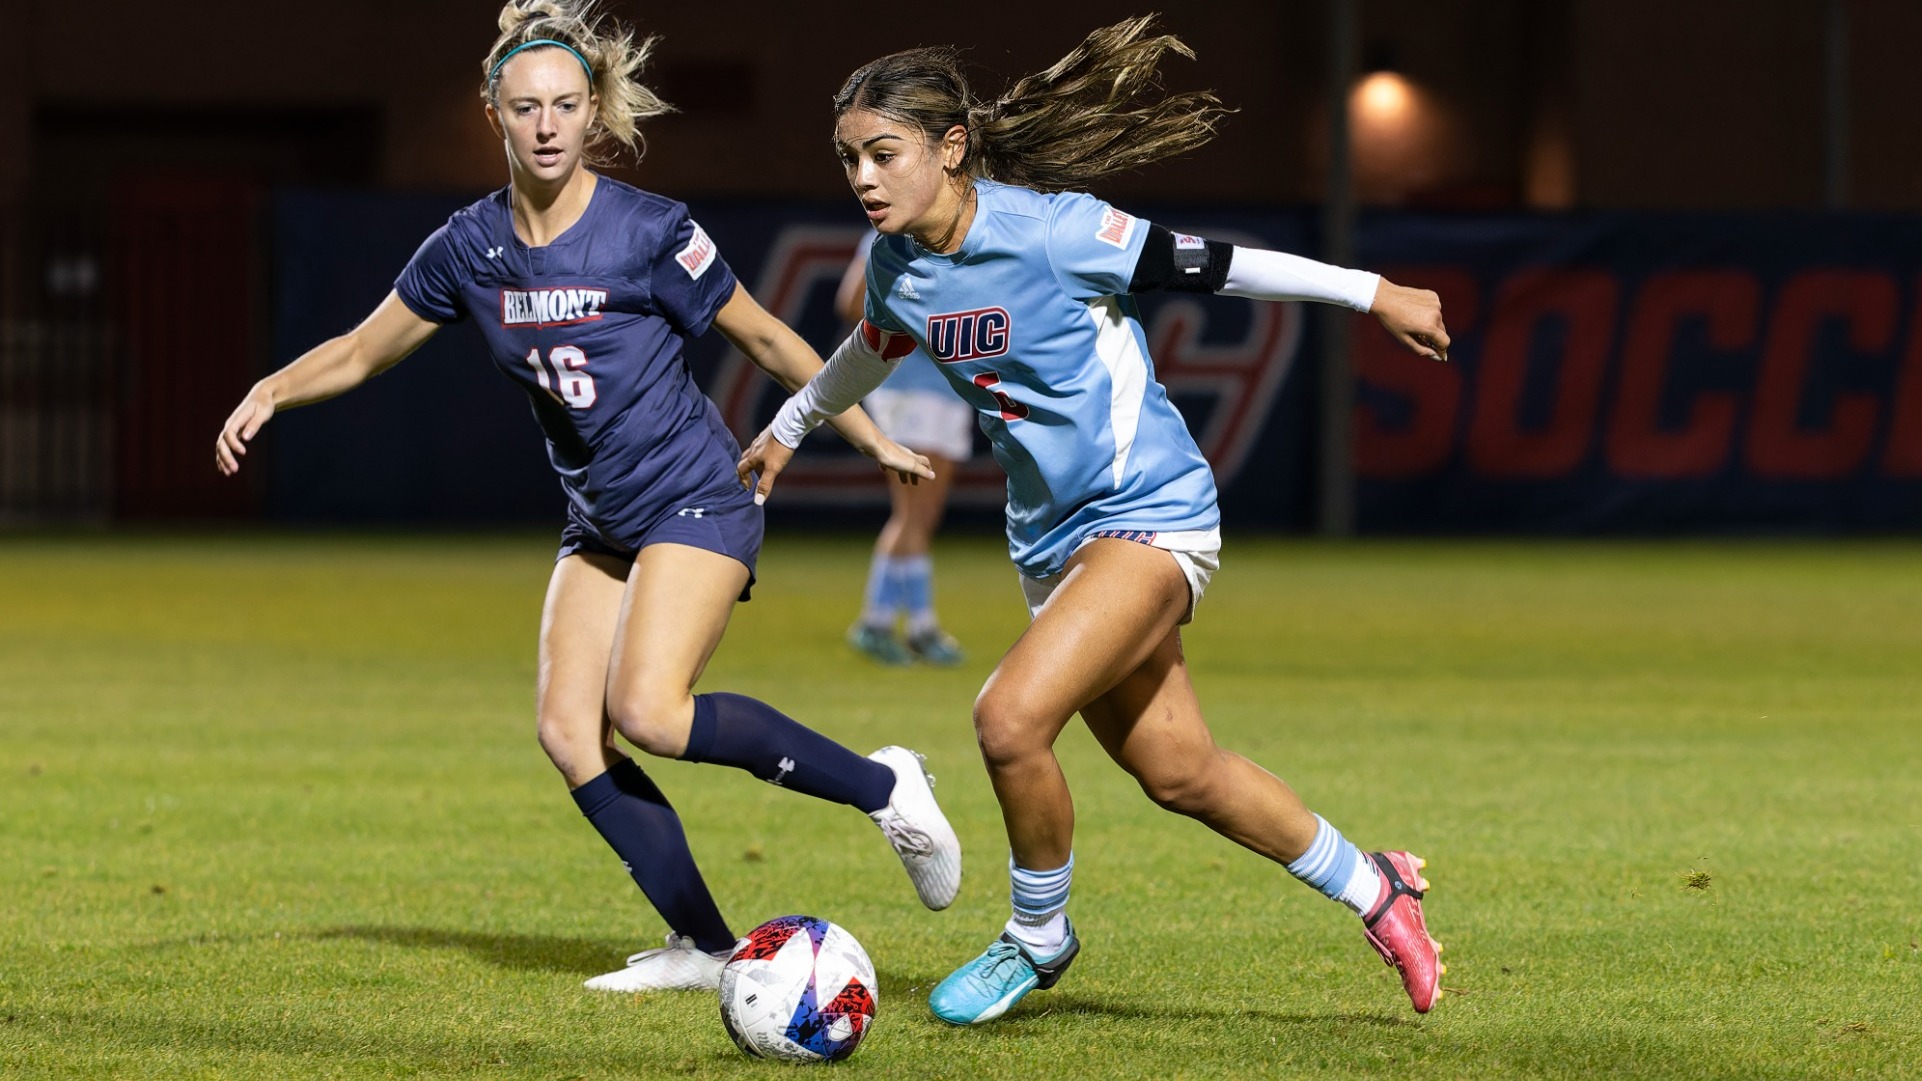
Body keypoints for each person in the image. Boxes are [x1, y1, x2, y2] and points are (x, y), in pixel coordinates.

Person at [213, 0, 960, 994]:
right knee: (569, 730)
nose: (549, 124)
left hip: (697, 495)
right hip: (599, 518)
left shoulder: (649, 231)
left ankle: (886, 786)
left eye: (567, 104)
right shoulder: (468, 246)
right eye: (526, 107)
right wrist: (271, 387)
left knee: (648, 711)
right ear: (496, 114)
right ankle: (702, 945)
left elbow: (767, 337)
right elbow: (359, 348)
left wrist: (861, 432)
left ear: (594, 110)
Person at [737, 17, 1451, 1025]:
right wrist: (788, 425)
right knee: (1179, 769)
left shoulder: (1054, 229)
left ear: (948, 149)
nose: (862, 175)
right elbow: (871, 345)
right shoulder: (898, 262)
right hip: (1049, 544)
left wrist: (1370, 289)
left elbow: (1215, 264)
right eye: (849, 156)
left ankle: (1036, 937)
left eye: (882, 153)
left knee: (1007, 717)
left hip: (1147, 512)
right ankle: (1379, 889)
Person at [835, 241, 970, 667]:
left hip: (950, 386)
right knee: (911, 513)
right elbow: (851, 300)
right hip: (905, 387)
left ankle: (894, 625)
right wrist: (912, 325)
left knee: (923, 516)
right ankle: (905, 626)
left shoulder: (963, 234)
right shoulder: (888, 236)